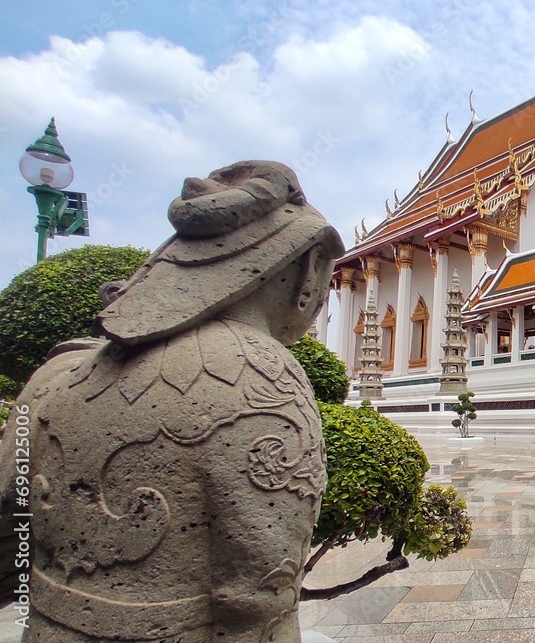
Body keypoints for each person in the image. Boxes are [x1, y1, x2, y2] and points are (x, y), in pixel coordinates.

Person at [0, 161, 343, 642]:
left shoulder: (60, 370)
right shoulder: (262, 376)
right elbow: (257, 599)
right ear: (309, 270)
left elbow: (9, 534)